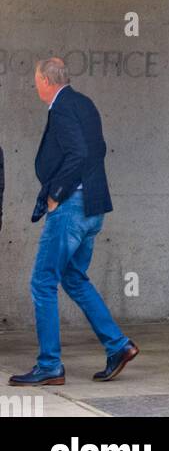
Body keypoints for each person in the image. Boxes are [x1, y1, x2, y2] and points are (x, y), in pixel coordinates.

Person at [9, 58, 138, 388]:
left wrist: (57, 193)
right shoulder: (84, 103)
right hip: (92, 207)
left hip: (71, 208)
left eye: (36, 79)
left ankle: (50, 365)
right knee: (74, 278)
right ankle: (118, 345)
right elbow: (98, 149)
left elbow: (79, 153)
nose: (35, 84)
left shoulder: (62, 107)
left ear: (47, 81)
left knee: (42, 282)